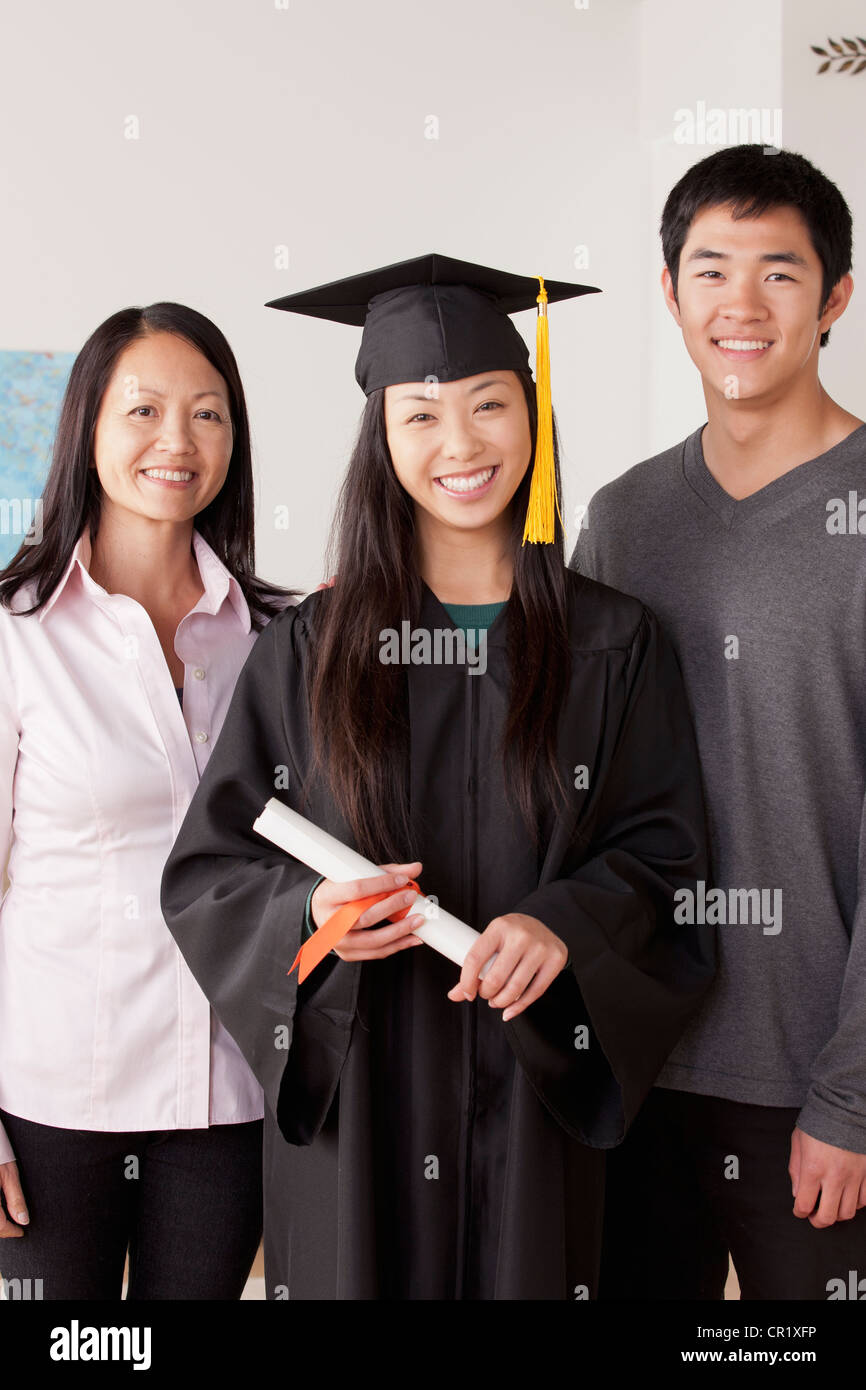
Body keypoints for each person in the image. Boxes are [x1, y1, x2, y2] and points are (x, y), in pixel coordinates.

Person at [160, 253, 714, 1300]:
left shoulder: (614, 643)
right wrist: (313, 914)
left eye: (488, 405)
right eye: (418, 415)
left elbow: (667, 856)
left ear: (531, 417)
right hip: (360, 1106)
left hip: (533, 1099)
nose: (459, 444)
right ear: (381, 440)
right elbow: (211, 870)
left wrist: (561, 924)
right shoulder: (308, 648)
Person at [571, 144, 866, 1300]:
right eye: (709, 270)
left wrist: (852, 1093)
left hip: (811, 1084)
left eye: (778, 273)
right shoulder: (626, 515)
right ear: (668, 292)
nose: (738, 305)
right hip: (634, 1064)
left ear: (833, 296)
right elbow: (572, 771)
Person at [0, 303, 296, 1299]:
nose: (177, 441)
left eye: (208, 414)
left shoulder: (283, 638)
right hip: (51, 1103)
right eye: (144, 410)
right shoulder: (16, 636)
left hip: (226, 1098)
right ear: (87, 427)